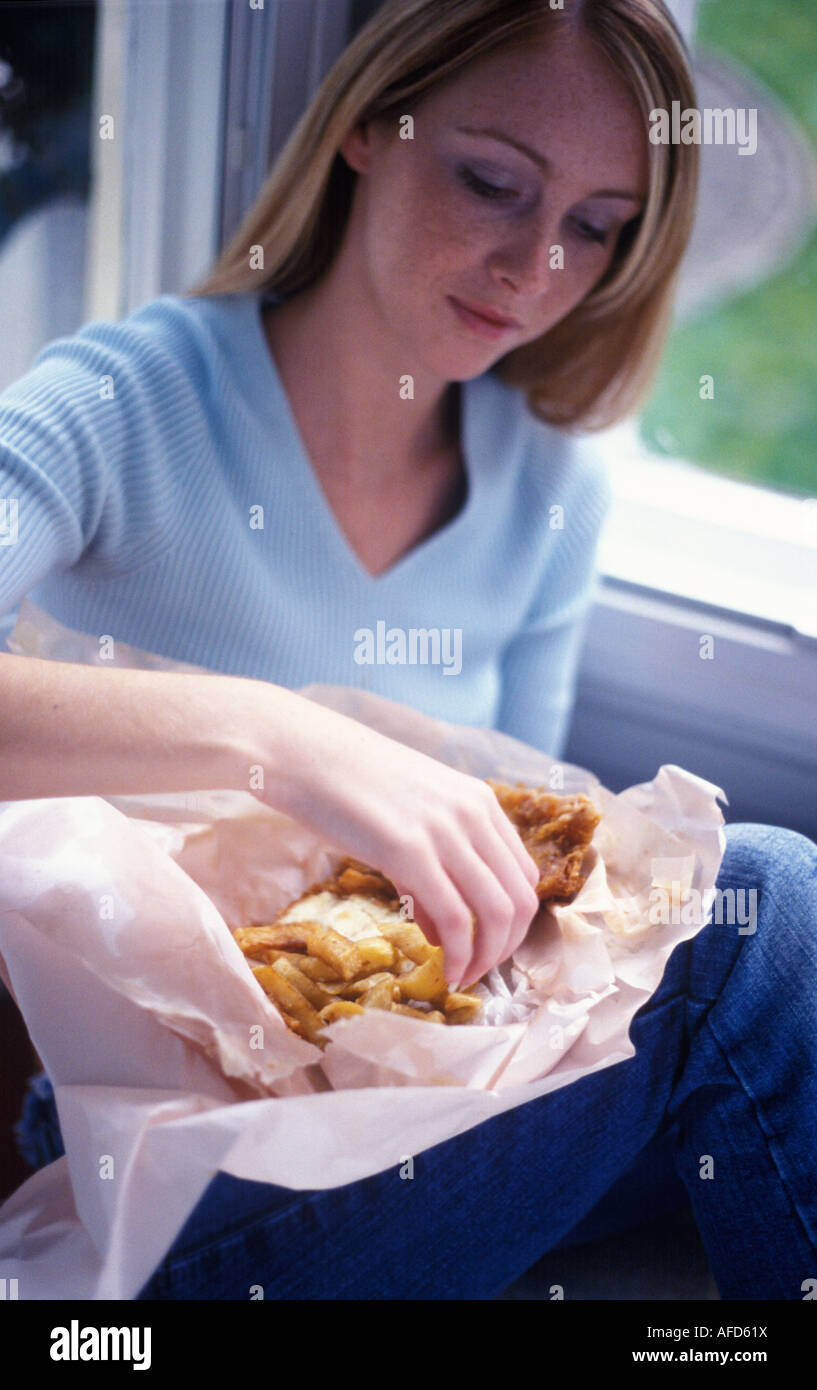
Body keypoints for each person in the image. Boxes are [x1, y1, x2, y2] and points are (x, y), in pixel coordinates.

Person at [1, 0, 815, 1301]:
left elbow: (542, 906)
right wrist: (284, 740)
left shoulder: (549, 485)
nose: (534, 264)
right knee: (769, 896)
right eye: (492, 182)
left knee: (767, 941)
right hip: (171, 1167)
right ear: (370, 129)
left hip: (437, 1106)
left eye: (595, 226)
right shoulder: (121, 404)